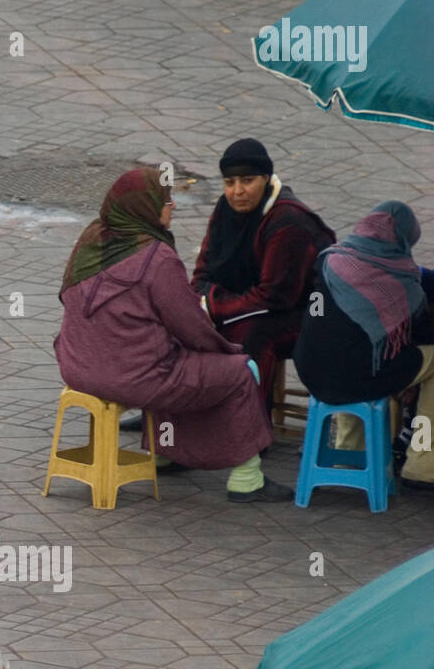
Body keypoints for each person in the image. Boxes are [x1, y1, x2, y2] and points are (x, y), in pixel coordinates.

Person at [53, 167, 292, 503]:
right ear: (146, 207)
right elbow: (189, 324)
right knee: (236, 372)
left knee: (170, 353)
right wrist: (227, 350)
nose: (173, 206)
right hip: (131, 378)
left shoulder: (91, 240)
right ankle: (247, 479)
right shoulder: (157, 258)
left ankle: (168, 452)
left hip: (77, 367)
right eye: (165, 200)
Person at [293, 202, 434, 492]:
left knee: (347, 349)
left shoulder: (331, 261)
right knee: (425, 359)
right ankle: (423, 464)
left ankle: (351, 453)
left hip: (310, 371)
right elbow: (420, 332)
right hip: (353, 380)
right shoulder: (399, 282)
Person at [192, 139, 335, 405]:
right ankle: (176, 410)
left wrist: (216, 308)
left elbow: (275, 295)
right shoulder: (224, 209)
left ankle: (249, 426)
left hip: (309, 312)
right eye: (229, 183)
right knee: (183, 320)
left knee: (248, 331)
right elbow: (202, 272)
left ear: (266, 179)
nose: (237, 191)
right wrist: (203, 305)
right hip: (247, 302)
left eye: (247, 181)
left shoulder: (288, 221)